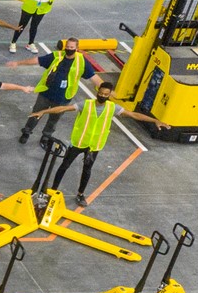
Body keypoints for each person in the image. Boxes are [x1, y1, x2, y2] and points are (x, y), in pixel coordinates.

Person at [28, 81, 167, 204]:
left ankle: (80, 194)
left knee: (87, 170)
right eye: (100, 93)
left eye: (106, 94)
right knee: (64, 166)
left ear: (109, 95)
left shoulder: (113, 108)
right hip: (78, 142)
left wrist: (154, 120)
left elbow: (133, 114)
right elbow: (63, 108)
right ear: (97, 92)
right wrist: (44, 112)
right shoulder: (86, 104)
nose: (102, 96)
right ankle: (53, 191)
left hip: (94, 146)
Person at [10, 36, 99, 145]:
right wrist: (19, 63)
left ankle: (46, 136)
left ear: (77, 48)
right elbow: (37, 60)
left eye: (72, 47)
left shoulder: (81, 61)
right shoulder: (57, 56)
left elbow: (93, 77)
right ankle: (26, 132)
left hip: (63, 97)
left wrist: (106, 89)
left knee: (54, 119)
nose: (69, 49)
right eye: (67, 46)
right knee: (36, 114)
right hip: (46, 93)